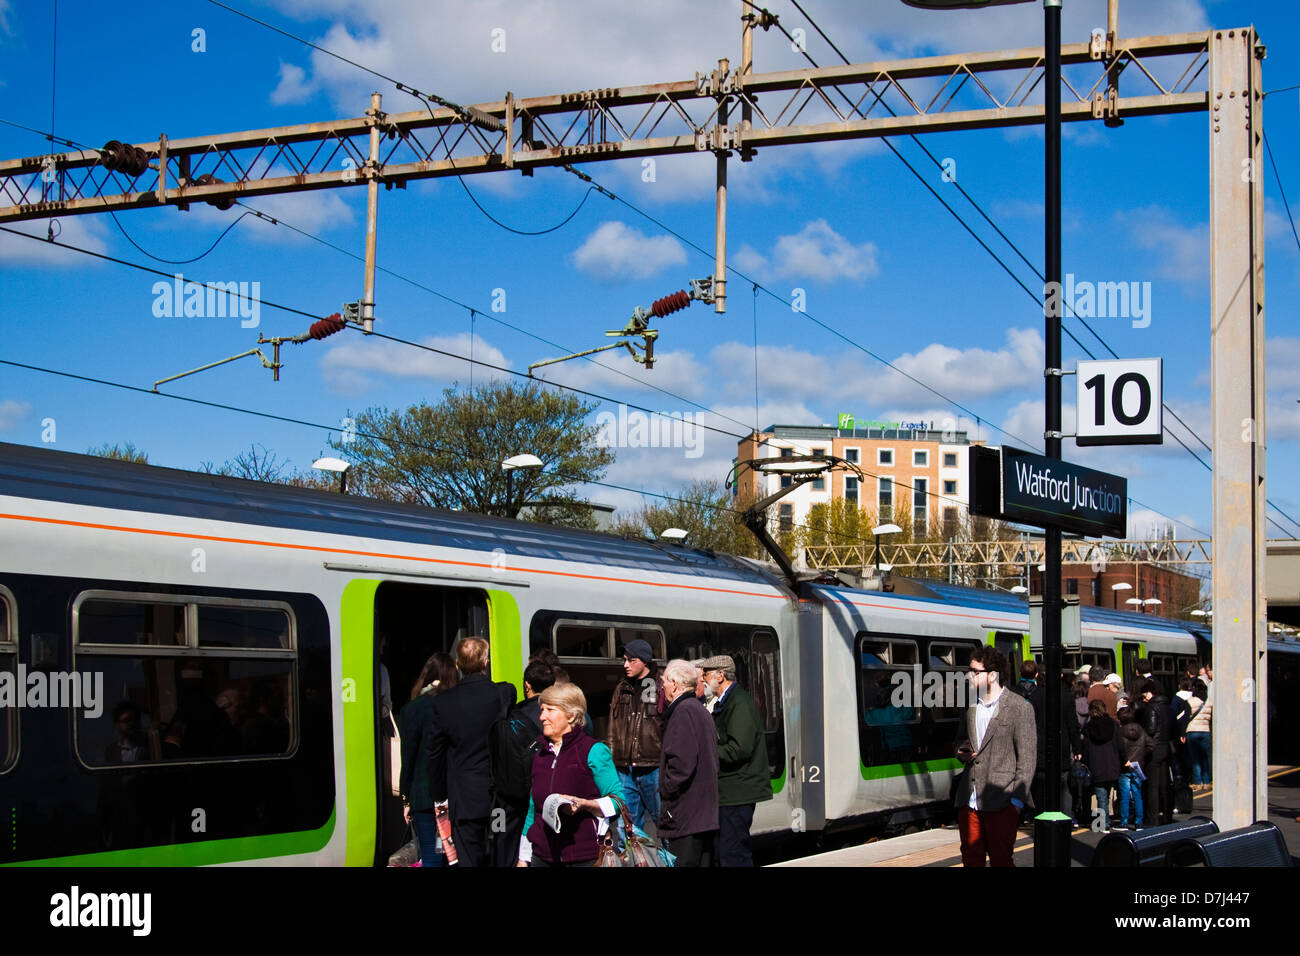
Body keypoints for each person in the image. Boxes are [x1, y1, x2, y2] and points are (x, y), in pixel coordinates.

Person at [426, 636, 516, 867]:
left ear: (458, 664)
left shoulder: (443, 703)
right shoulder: (503, 694)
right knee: (499, 855)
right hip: (498, 799)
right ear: (486, 662)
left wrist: (439, 796)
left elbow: (434, 754)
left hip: (464, 801)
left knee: (468, 858)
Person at [517, 682, 621, 867]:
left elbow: (618, 800)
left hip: (584, 857)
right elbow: (533, 809)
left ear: (571, 715)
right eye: (542, 710)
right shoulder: (540, 754)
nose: (542, 717)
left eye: (550, 710)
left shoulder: (593, 751)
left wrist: (585, 804)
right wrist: (523, 858)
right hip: (542, 856)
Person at [954, 645, 1036, 867]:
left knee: (1001, 859)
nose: (969, 676)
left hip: (1002, 799)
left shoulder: (1019, 707)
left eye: (975, 671)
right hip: (969, 799)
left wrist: (1016, 802)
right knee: (971, 858)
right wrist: (961, 752)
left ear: (992, 675)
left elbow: (1027, 759)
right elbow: (960, 739)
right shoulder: (970, 704)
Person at [702, 654, 773, 867]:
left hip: (737, 790)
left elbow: (739, 749)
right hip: (729, 790)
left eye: (705, 674)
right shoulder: (726, 701)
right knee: (725, 851)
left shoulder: (739, 702)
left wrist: (707, 751)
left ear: (720, 675)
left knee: (732, 854)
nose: (703, 680)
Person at [490, 658, 553, 867]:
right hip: (542, 794)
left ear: (527, 685)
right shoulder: (557, 717)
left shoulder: (513, 716)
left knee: (502, 839)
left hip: (507, 797)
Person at [657, 659, 719, 866]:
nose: (662, 686)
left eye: (664, 681)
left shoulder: (683, 712)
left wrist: (666, 789)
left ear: (675, 684)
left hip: (686, 813)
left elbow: (681, 764)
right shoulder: (699, 709)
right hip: (702, 813)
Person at [400, 652, 458, 866]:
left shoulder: (412, 710)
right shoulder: (457, 705)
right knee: (452, 853)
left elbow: (409, 757)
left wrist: (406, 796)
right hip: (453, 793)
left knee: (430, 853)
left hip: (423, 794)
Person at [607, 638, 664, 833]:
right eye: (625, 660)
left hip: (653, 766)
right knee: (626, 829)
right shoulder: (621, 688)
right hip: (625, 769)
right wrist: (613, 760)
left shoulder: (660, 687)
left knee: (664, 824)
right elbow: (613, 727)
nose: (626, 665)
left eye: (631, 660)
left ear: (645, 661)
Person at [1079, 699, 1125, 831]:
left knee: (1100, 795)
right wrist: (1123, 759)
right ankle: (1105, 821)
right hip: (1112, 763)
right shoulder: (1113, 725)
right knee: (1108, 793)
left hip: (1096, 764)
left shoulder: (1088, 728)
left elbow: (1086, 748)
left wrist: (1084, 761)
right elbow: (1120, 745)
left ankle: (1102, 823)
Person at [1136, 678, 1174, 825]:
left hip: (1155, 748)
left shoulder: (1152, 708)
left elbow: (1151, 729)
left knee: (1152, 786)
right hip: (1166, 747)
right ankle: (1167, 816)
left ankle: (1152, 818)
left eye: (1145, 694)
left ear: (1150, 693)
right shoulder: (1168, 707)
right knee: (1165, 785)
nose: (1144, 698)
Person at [1115, 701, 1154, 830]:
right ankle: (1139, 822)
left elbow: (1118, 749)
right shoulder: (1141, 730)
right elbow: (1151, 745)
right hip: (1138, 765)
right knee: (1137, 794)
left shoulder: (1119, 732)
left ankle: (1124, 821)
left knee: (1124, 795)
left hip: (1124, 766)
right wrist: (1142, 755)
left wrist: (1124, 759)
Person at [1185, 676, 1212, 791]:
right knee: (1205, 757)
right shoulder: (1209, 702)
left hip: (1192, 731)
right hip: (1205, 731)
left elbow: (1186, 717)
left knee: (1195, 758)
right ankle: (1206, 781)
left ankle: (1197, 782)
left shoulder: (1190, 702)